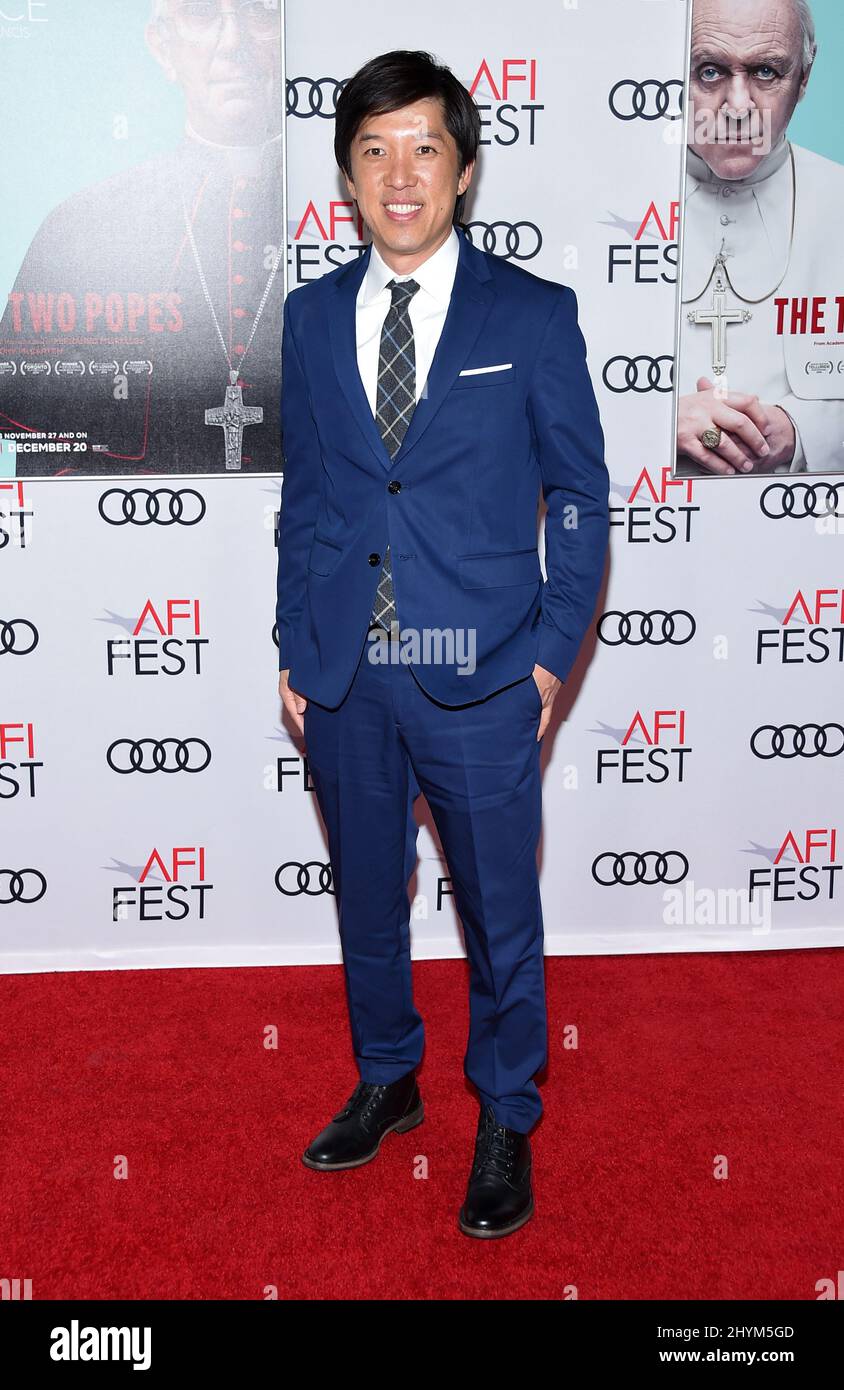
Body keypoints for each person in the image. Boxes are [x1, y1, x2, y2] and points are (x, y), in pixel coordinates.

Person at [276, 49, 608, 1239]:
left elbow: (578, 494)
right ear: (347, 178)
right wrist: (290, 645)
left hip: (482, 672)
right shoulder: (312, 319)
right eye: (373, 150)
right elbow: (309, 498)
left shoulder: (531, 313)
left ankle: (506, 1112)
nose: (398, 173)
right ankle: (389, 1076)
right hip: (346, 676)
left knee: (498, 915)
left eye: (423, 146)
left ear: (463, 170)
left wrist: (548, 657)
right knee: (368, 895)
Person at [0, 0, 284, 476]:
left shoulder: (359, 221)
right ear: (162, 45)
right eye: (199, 14)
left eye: (258, 11)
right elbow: (47, 461)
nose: (233, 44)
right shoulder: (79, 227)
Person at [676, 0, 844, 478]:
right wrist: (656, 420)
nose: (738, 106)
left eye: (767, 72)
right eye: (709, 71)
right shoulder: (607, 204)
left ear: (805, 80)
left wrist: (801, 429)